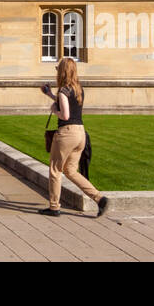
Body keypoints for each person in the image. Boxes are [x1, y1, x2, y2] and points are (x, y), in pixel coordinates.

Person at [40, 56, 110, 218]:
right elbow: (68, 103)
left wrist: (54, 110)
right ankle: (99, 199)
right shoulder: (78, 89)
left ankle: (54, 207)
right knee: (71, 170)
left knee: (55, 170)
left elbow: (65, 114)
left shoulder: (63, 90)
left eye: (58, 69)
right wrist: (50, 95)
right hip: (80, 133)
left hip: (66, 133)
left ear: (63, 71)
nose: (57, 71)